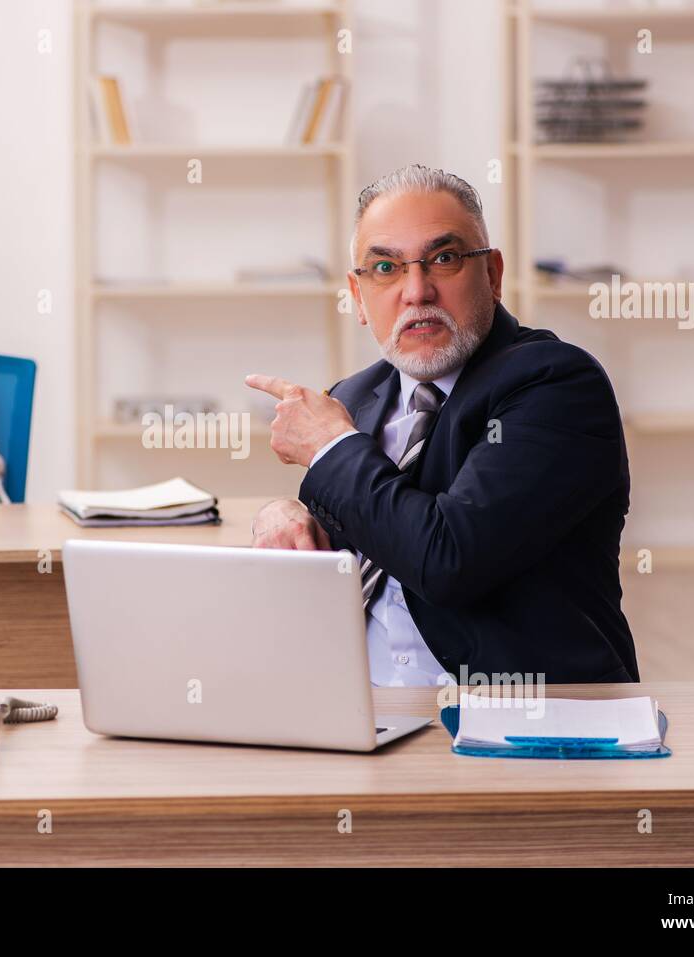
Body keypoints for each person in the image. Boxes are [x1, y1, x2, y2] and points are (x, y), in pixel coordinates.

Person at [245, 164, 637, 686]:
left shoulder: (557, 384)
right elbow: (361, 519)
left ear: (493, 275)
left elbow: (448, 559)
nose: (416, 291)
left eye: (444, 259)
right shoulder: (351, 398)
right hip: (360, 708)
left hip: (520, 722)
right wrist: (282, 512)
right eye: (385, 268)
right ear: (358, 297)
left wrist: (330, 448)